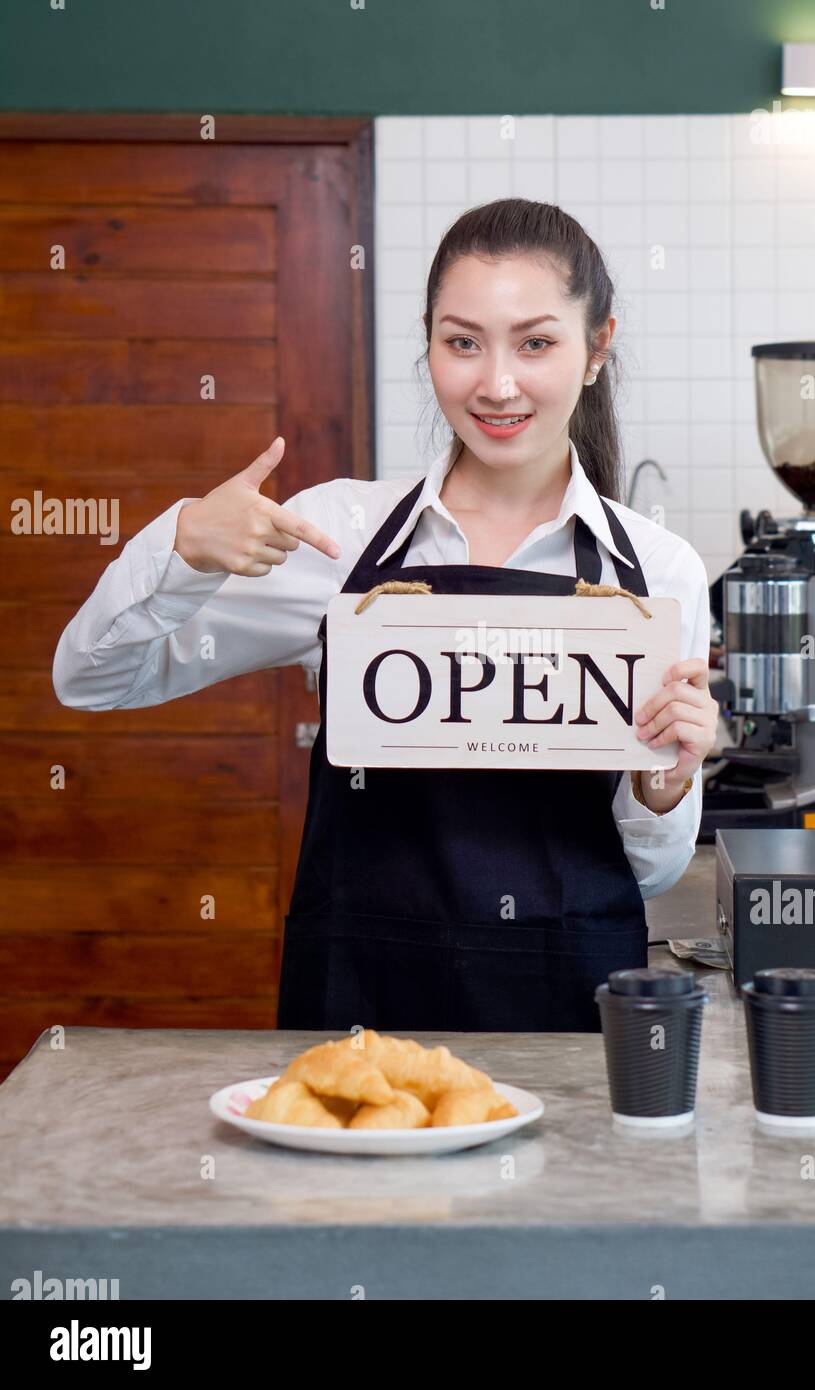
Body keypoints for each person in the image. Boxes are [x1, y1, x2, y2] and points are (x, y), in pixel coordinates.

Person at [53, 197, 717, 1032]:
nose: (496, 383)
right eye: (462, 342)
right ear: (429, 344)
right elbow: (90, 679)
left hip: (568, 1020)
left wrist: (661, 792)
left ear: (596, 351)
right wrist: (180, 542)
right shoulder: (334, 534)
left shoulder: (658, 573)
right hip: (361, 1010)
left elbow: (649, 876)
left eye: (536, 343)